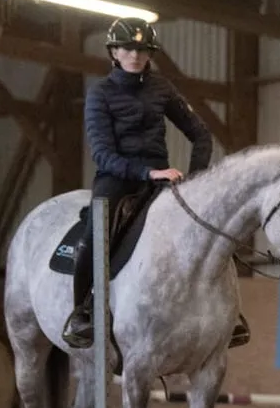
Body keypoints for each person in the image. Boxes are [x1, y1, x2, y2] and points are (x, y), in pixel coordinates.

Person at [62, 17, 248, 350]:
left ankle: (229, 312)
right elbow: (102, 154)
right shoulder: (100, 94)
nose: (135, 55)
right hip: (117, 178)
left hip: (162, 178)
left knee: (208, 228)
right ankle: (82, 312)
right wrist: (148, 173)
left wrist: (195, 180)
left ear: (149, 54)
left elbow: (200, 134)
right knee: (93, 237)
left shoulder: (162, 88)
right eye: (128, 48)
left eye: (142, 49)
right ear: (114, 52)